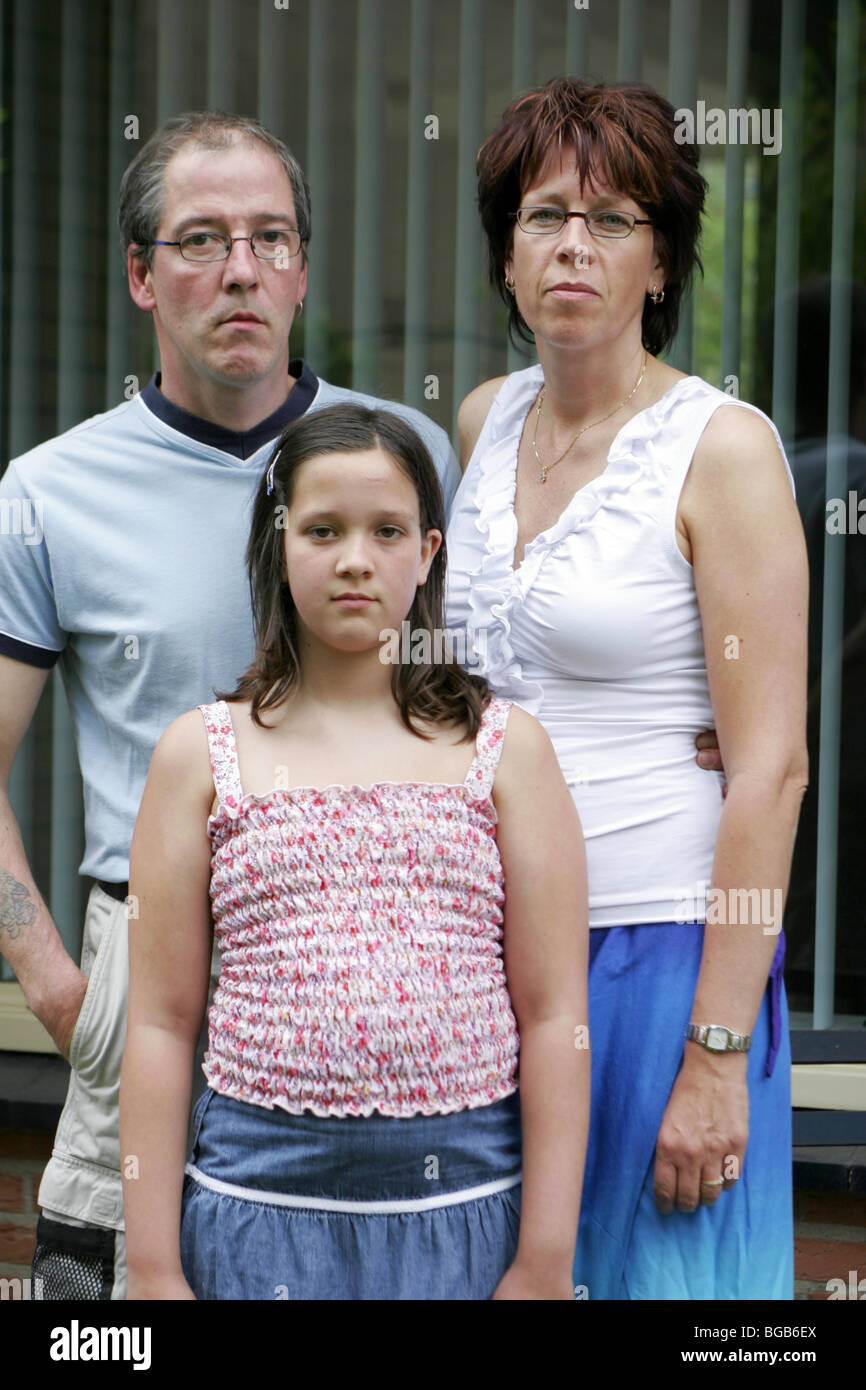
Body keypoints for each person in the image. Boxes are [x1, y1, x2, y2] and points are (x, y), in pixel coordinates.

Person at [0, 111, 459, 1300]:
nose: (241, 269)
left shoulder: (397, 461)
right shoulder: (50, 494)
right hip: (142, 961)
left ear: (304, 267)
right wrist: (58, 985)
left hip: (368, 968)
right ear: (142, 275)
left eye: (269, 238)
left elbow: (471, 700)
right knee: (107, 1311)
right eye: (200, 240)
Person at [445, 78, 809, 1300]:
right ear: (505, 254)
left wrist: (714, 1051)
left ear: (661, 261)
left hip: (653, 947)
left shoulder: (724, 449)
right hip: (481, 943)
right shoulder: (480, 424)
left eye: (610, 220)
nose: (571, 246)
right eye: (543, 215)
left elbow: (770, 766)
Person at [119, 402, 589, 1300]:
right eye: (322, 530)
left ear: (430, 550)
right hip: (255, 1206)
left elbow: (554, 1014)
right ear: (278, 542)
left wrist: (544, 1261)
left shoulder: (503, 750)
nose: (355, 560)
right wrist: (150, 1268)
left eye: (387, 531)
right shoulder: (202, 754)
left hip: (463, 1212)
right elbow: (161, 1023)